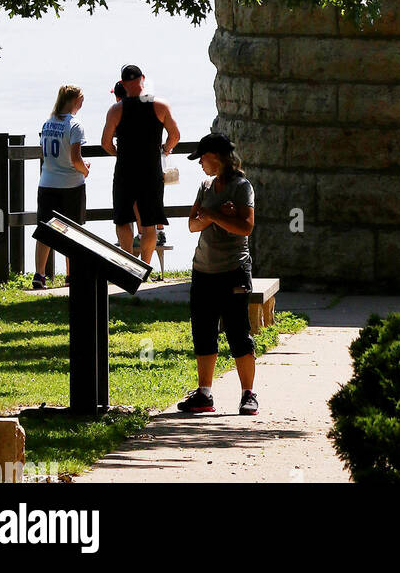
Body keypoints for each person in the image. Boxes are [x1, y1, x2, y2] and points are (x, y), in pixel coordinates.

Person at [177, 132, 258, 417]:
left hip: (234, 270)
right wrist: (214, 214)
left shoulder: (242, 187)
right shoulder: (205, 186)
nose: (200, 163)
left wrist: (211, 216)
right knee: (203, 331)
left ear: (218, 158)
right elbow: (192, 224)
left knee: (239, 332)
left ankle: (248, 394)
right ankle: (204, 393)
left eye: (203, 157)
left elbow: (245, 227)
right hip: (203, 270)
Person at [101, 63, 179, 266]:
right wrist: (166, 149)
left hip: (126, 170)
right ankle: (145, 265)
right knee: (150, 221)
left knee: (123, 219)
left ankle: (128, 264)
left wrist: (117, 154)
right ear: (142, 78)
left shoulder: (116, 110)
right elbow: (175, 135)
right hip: (151, 171)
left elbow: (105, 142)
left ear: (123, 83)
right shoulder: (159, 105)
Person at [34, 85, 89, 288]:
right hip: (71, 185)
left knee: (46, 229)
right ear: (75, 101)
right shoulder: (75, 125)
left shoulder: (48, 123)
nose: (83, 103)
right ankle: (71, 274)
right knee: (72, 230)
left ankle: (39, 275)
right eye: (81, 100)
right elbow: (76, 158)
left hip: (47, 182)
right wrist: (85, 170)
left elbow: (45, 152)